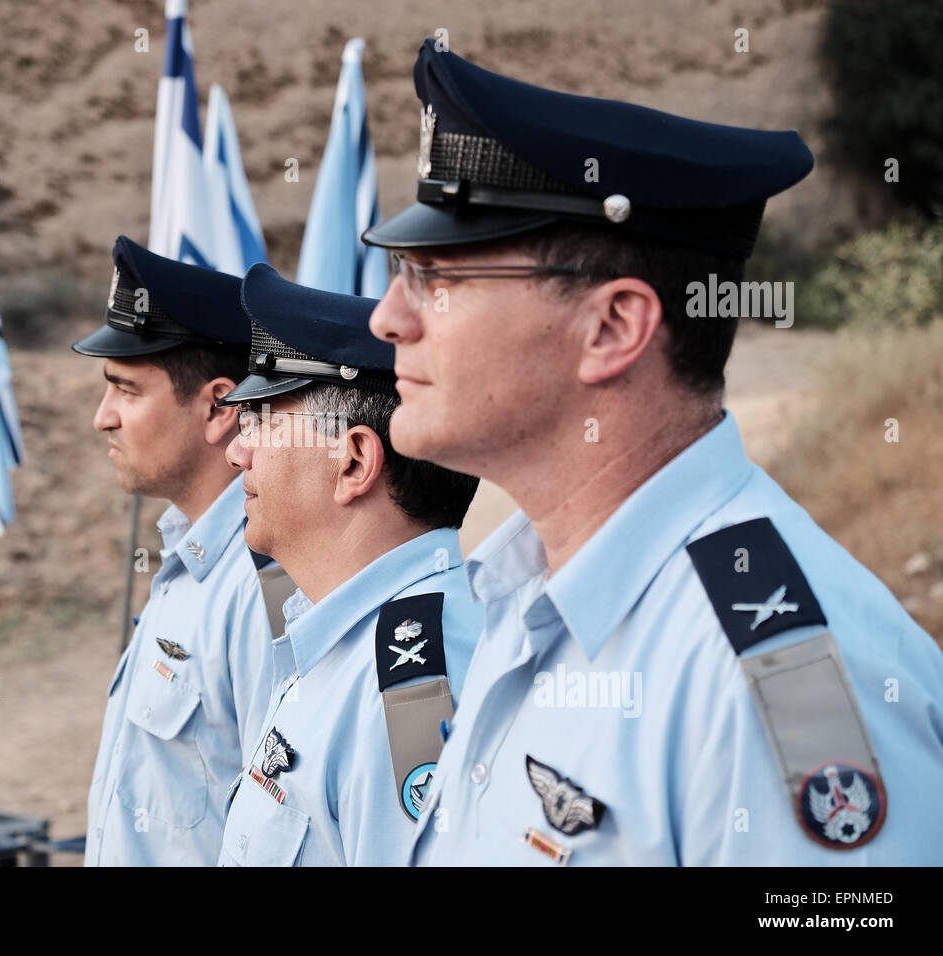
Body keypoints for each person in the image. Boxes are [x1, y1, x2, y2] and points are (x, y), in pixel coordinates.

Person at [363, 39, 943, 865]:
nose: (387, 318)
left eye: (436, 279)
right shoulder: (521, 592)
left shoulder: (772, 683)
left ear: (612, 328)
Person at [214, 263, 481, 865]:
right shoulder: (340, 637)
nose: (235, 451)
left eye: (262, 420)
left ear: (354, 463)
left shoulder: (410, 690)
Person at [73, 236, 280, 866]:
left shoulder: (261, 586)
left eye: (127, 391)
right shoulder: (189, 564)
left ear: (220, 407)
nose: (102, 417)